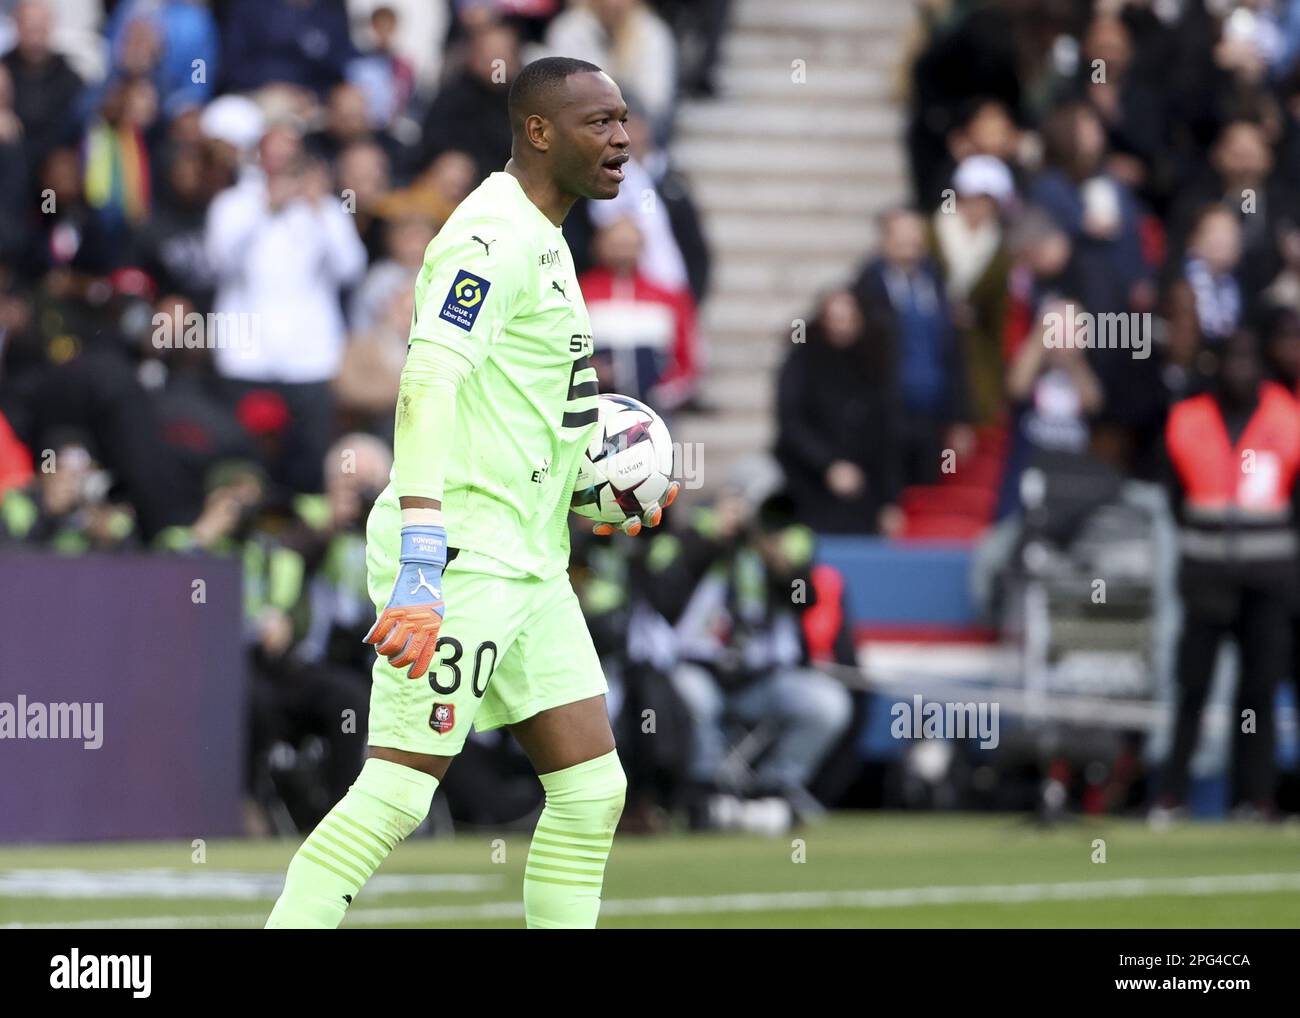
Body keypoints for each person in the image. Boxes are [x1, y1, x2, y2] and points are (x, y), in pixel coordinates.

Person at [266, 57, 679, 930]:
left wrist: (602, 486)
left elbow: (519, 406)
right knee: (394, 795)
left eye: (623, 121)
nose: (622, 140)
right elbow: (428, 380)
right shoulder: (491, 237)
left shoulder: (548, 235)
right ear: (539, 131)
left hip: (530, 561)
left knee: (592, 789)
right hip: (459, 558)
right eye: (600, 123)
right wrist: (422, 555)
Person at [1154, 330, 1300, 821]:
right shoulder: (1189, 418)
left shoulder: (1286, 418)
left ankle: (1253, 798)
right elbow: (1175, 499)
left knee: (1258, 693)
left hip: (1269, 581)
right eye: (1231, 358)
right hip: (1206, 577)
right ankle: (1172, 795)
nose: (1239, 368)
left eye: (1247, 358)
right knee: (1192, 686)